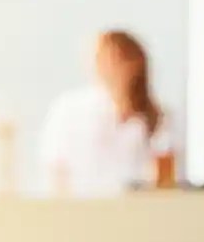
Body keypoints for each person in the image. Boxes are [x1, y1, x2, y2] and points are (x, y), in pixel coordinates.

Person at [40, 30, 177, 196]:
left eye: (119, 60)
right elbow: (56, 169)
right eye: (104, 59)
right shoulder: (70, 110)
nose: (112, 68)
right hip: (85, 204)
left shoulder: (159, 119)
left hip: (137, 206)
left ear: (137, 65)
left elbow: (164, 179)